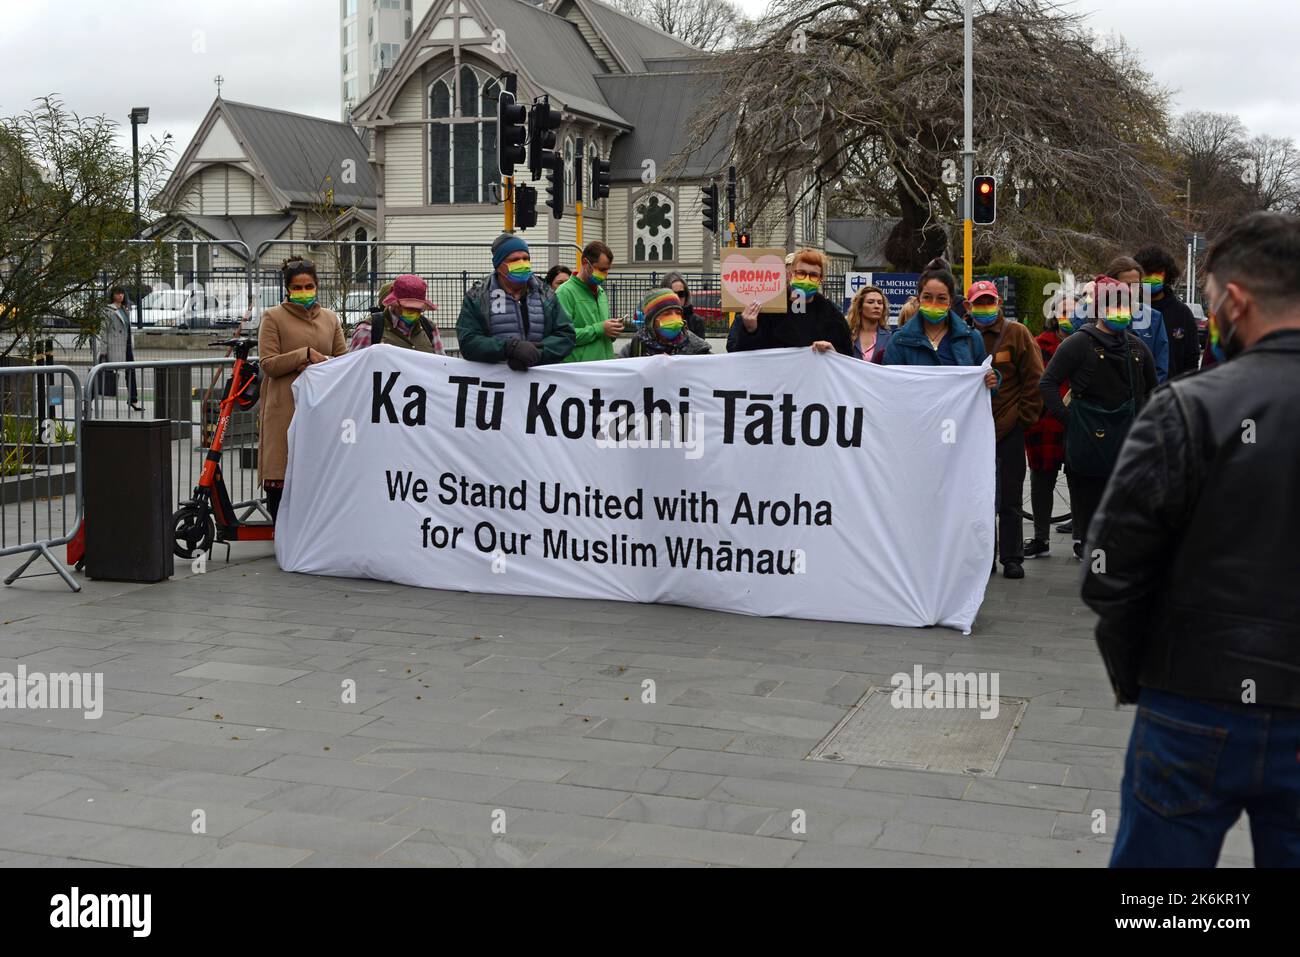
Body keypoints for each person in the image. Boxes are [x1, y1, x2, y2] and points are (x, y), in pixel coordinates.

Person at [1082, 211, 1300, 868]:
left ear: (1235, 300)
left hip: (1190, 703)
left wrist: (1141, 672)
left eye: (1209, 303)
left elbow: (1108, 569)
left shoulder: (1186, 407)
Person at [1037, 275, 1156, 559]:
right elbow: (1047, 382)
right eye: (1114, 306)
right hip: (1085, 438)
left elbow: (1154, 390)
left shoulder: (1136, 347)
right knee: (1087, 493)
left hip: (1125, 437)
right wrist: (1069, 420)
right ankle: (1086, 542)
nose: (1121, 313)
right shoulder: (1078, 343)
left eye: (1126, 307)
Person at [258, 257, 346, 522]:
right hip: (285, 406)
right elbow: (268, 363)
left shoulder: (330, 318)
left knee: (319, 472)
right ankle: (282, 531)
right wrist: (303, 355)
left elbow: (344, 359)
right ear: (288, 289)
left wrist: (327, 363)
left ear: (317, 286)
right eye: (298, 287)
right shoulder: (272, 317)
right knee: (282, 471)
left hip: (321, 407)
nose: (304, 291)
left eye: (309, 286)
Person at [967, 280, 1043, 579]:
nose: (985, 308)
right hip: (973, 430)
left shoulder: (1017, 333)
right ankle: (985, 557)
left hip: (1008, 428)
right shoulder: (964, 335)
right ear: (969, 306)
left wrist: (1023, 419)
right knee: (979, 497)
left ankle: (1013, 557)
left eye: (989, 302)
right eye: (979, 303)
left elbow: (1035, 378)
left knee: (1011, 496)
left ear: (998, 303)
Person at [456, 233, 575, 368]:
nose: (522, 264)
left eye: (526, 258)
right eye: (514, 260)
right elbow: (468, 341)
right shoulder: (477, 297)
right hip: (495, 383)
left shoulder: (546, 293)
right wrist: (509, 348)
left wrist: (536, 354)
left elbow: (566, 335)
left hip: (538, 383)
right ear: (499, 266)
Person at [881, 261, 998, 391]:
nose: (933, 303)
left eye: (941, 298)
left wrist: (991, 381)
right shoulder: (899, 340)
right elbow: (888, 388)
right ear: (919, 299)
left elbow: (982, 392)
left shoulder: (972, 338)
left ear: (951, 301)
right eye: (927, 297)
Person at [1022, 297, 1075, 559]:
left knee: (1081, 481)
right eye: (1065, 311)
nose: (1070, 316)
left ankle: (1082, 538)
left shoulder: (1088, 342)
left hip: (1079, 423)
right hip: (1044, 423)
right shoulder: (1037, 344)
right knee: (1042, 482)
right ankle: (1041, 538)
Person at [728, 248, 852, 355]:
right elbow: (741, 355)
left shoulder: (831, 315)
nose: (806, 279)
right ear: (789, 275)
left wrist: (833, 352)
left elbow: (846, 357)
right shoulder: (767, 309)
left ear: (821, 280)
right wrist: (751, 330)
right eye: (801, 273)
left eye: (813, 275)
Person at [1133, 245, 1201, 379]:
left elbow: (1191, 358)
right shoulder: (1130, 310)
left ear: (1167, 275)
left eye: (1157, 273)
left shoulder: (1182, 313)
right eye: (1146, 274)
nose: (1151, 278)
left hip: (1172, 392)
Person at [1107, 256, 1169, 383]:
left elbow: (1160, 367)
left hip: (1144, 398)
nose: (1131, 290)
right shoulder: (1100, 317)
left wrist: (1147, 396)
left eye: (1135, 284)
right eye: (1126, 285)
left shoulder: (1154, 318)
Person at [557, 241, 620, 363]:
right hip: (581, 371)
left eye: (607, 270)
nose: (605, 275)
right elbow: (563, 336)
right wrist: (600, 329)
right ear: (585, 263)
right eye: (601, 269)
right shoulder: (565, 292)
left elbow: (603, 331)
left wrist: (612, 330)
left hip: (604, 367)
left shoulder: (601, 292)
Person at [347, 276, 443, 354]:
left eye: (418, 308)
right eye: (408, 307)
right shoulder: (369, 329)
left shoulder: (429, 328)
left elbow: (442, 367)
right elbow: (354, 368)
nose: (413, 311)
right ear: (393, 304)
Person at [620, 289, 711, 357]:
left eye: (678, 313)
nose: (674, 318)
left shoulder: (698, 349)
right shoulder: (633, 349)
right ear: (651, 321)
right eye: (667, 314)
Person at [94, 287, 142, 410]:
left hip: (126, 347)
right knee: (101, 374)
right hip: (113, 347)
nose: (120, 296)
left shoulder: (125, 309)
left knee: (131, 372)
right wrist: (103, 350)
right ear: (113, 295)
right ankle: (88, 398)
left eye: (122, 293)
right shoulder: (109, 310)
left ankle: (133, 399)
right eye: (117, 294)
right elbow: (103, 330)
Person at [847, 284, 893, 363]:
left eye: (880, 303)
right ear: (860, 307)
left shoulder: (890, 338)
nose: (877, 306)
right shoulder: (847, 335)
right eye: (871, 302)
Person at [662, 271, 706, 339]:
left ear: (686, 295)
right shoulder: (656, 320)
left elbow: (700, 348)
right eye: (672, 294)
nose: (677, 298)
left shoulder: (696, 322)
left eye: (681, 294)